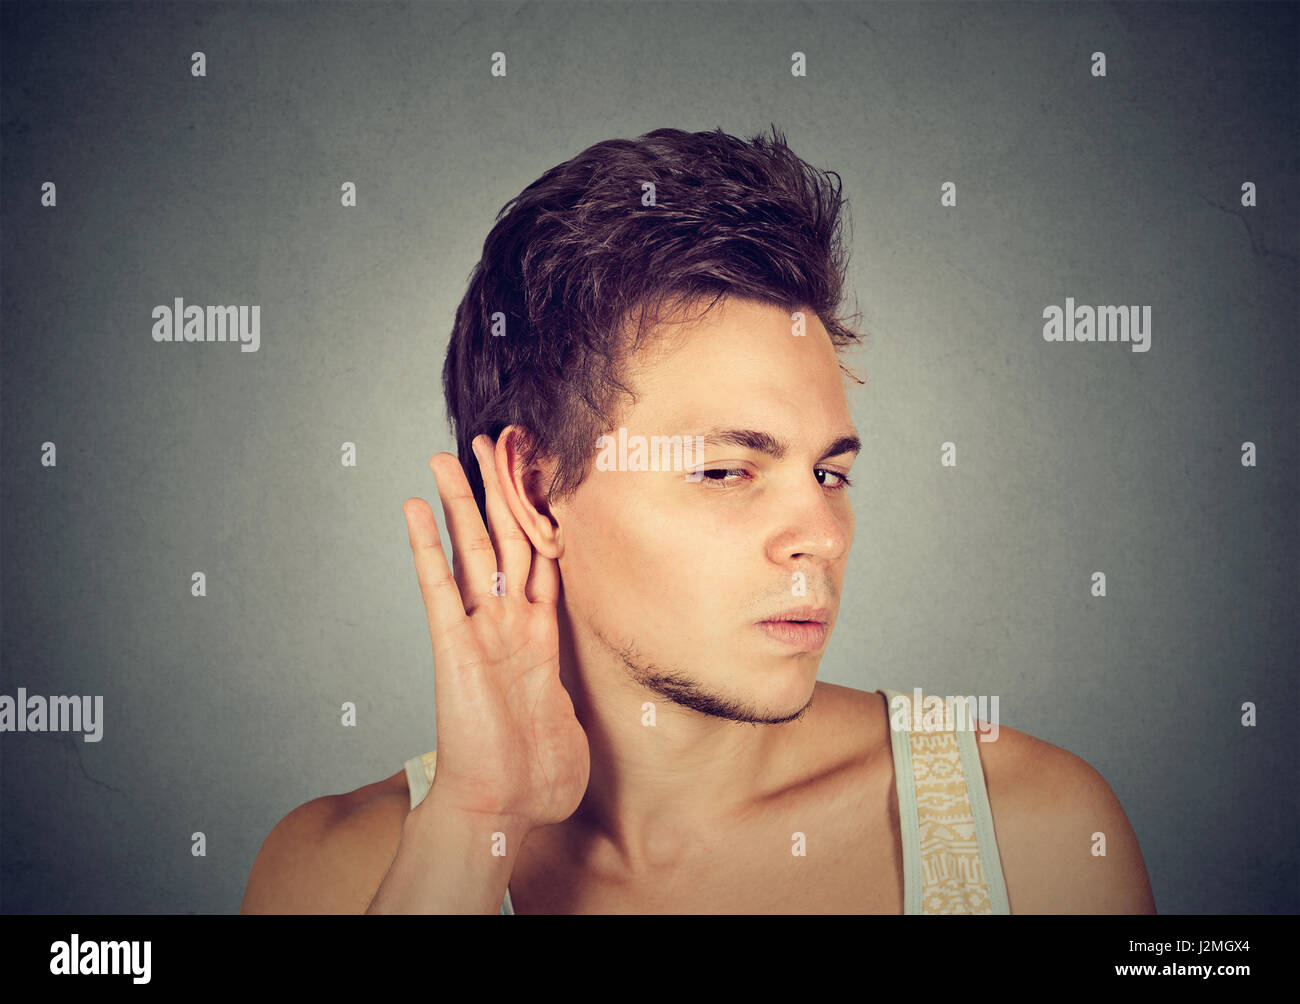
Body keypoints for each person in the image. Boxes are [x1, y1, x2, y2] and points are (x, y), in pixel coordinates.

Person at [240, 126, 1156, 914]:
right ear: (531, 484)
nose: (821, 537)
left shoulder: (1034, 835)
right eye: (726, 469)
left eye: (830, 472)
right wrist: (473, 823)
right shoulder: (336, 874)